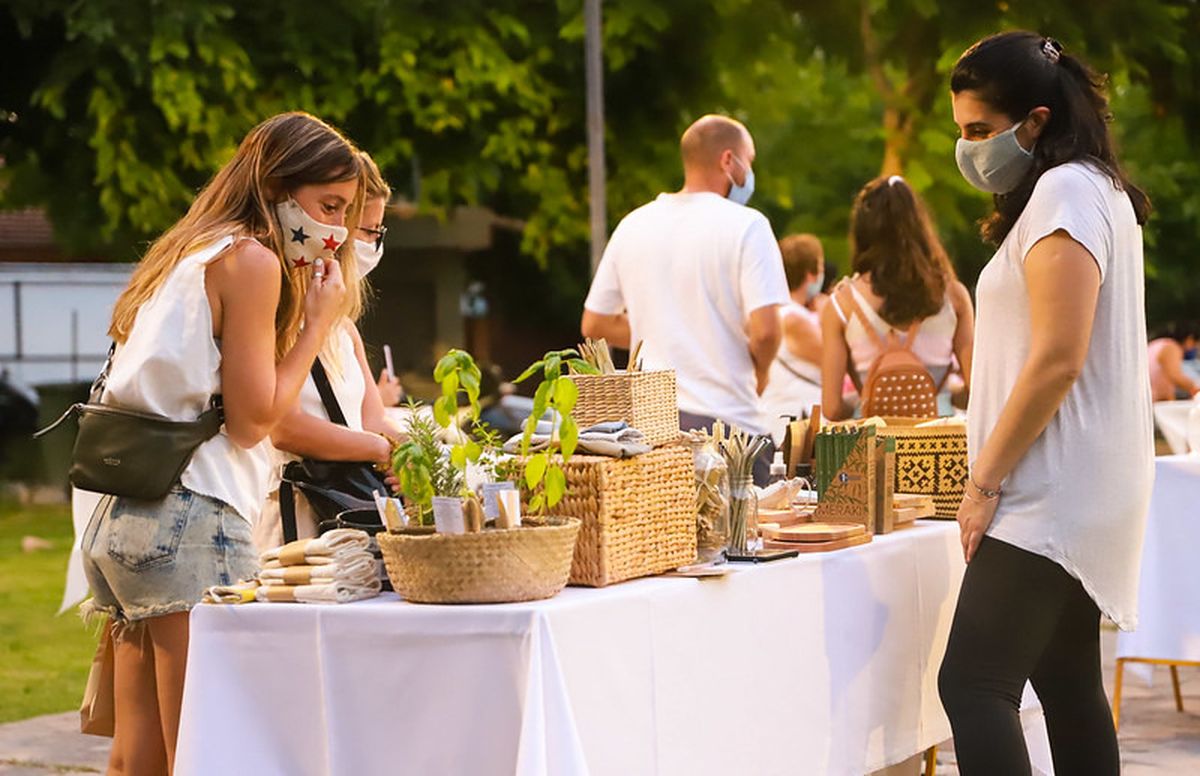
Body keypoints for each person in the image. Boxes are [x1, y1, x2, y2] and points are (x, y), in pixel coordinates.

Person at [79, 112, 358, 775]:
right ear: (278, 187)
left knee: (139, 758)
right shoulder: (253, 261)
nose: (338, 230)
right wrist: (316, 323)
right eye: (328, 206)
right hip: (192, 517)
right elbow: (252, 421)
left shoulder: (191, 250)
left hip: (123, 517)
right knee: (207, 751)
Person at [938, 33, 1153, 776]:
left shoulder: (1068, 192)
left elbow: (1059, 356)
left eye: (977, 132)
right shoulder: (1086, 189)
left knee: (972, 684)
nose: (966, 149)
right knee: (1065, 684)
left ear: (1033, 120)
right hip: (1074, 480)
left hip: (1051, 486)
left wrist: (983, 481)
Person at [581, 114, 788, 480]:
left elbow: (594, 323)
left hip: (653, 435)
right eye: (749, 162)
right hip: (730, 431)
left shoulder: (633, 225)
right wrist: (761, 372)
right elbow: (767, 331)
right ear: (728, 160)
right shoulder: (748, 225)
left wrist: (656, 329)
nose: (749, 174)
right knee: (742, 537)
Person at [253, 151, 408, 549]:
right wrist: (377, 448)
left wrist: (408, 451)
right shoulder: (280, 316)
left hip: (345, 513)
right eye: (368, 231)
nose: (372, 244)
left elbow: (371, 418)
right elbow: (284, 428)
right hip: (300, 518)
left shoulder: (343, 328)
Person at [819, 176, 975, 421]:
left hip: (875, 444)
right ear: (920, 226)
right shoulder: (953, 296)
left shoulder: (841, 304)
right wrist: (943, 394)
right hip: (939, 442)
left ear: (862, 230)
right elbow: (975, 390)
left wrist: (868, 399)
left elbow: (832, 408)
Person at [759, 233, 826, 443]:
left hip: (780, 415)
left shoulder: (775, 312)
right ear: (811, 273)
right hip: (797, 419)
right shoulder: (795, 318)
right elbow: (833, 361)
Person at [1147, 322, 1199, 401]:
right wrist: (1195, 387)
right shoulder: (1172, 348)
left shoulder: (1160, 343)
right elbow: (1175, 376)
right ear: (1189, 339)